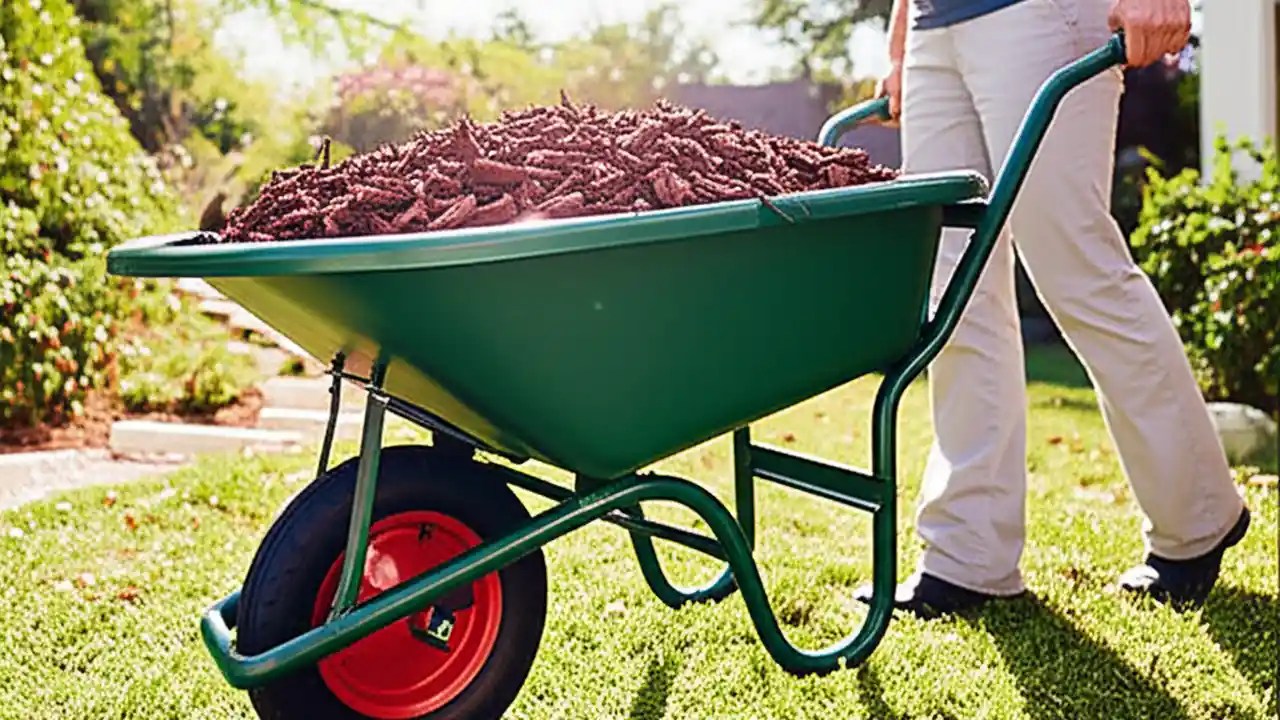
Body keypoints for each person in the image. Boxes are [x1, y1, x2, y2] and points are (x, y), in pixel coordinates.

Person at [852, 0, 1250, 618]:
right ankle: (966, 556)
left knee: (1074, 267)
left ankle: (1196, 519)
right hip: (935, 31)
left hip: (1041, 15)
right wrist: (900, 44)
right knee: (953, 291)